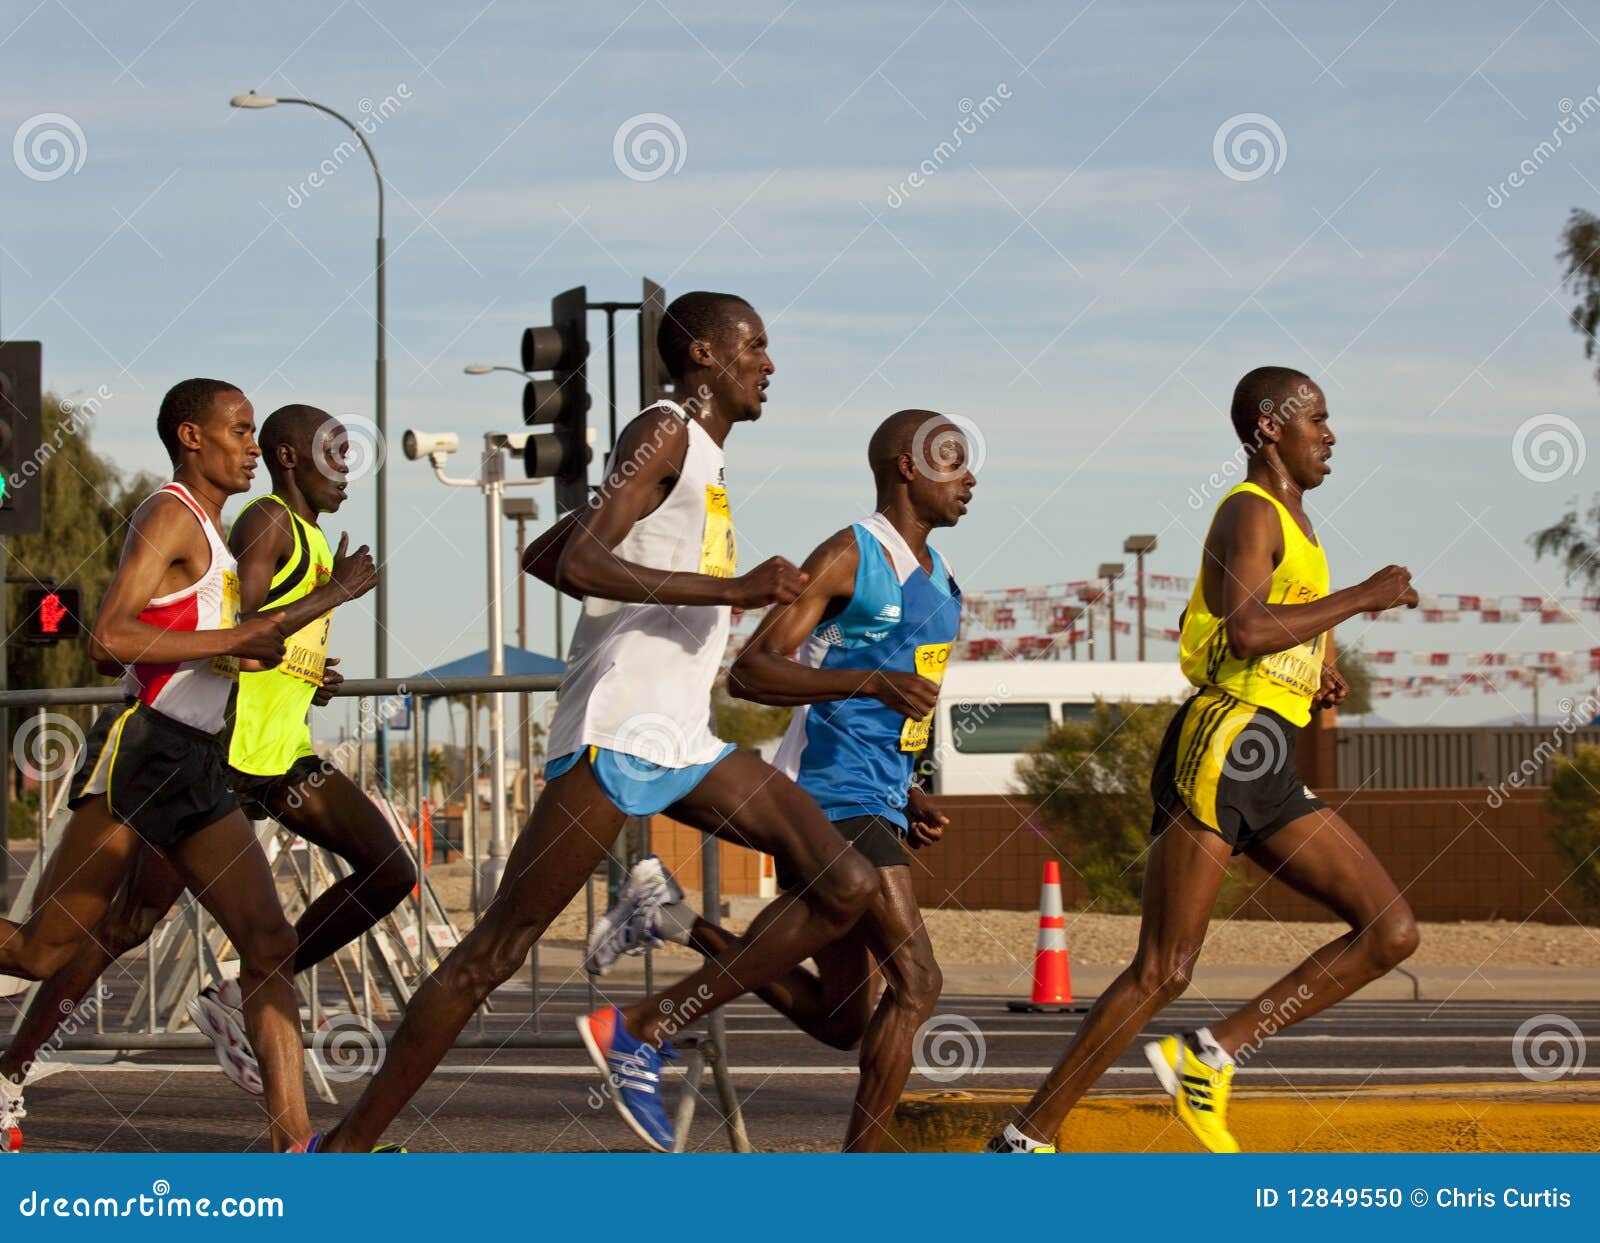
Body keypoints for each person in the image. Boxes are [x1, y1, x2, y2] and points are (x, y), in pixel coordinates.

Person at [313, 292, 877, 1154]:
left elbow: (558, 550)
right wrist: (735, 590)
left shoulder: (704, 456)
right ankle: (343, 1149)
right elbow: (580, 561)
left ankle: (643, 1027)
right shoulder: (664, 432)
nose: (769, 364)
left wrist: (598, 553)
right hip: (620, 729)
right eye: (755, 346)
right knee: (492, 955)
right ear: (702, 357)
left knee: (844, 884)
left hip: (684, 736)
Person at [986, 366, 1421, 1155]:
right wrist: (1362, 595)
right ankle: (1026, 1136)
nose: (1330, 434)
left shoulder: (1297, 524)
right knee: (1164, 967)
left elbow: (1261, 632)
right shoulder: (1250, 512)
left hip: (1268, 752)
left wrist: (1314, 665)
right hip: (1223, 743)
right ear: (1268, 428)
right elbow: (1248, 630)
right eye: (1317, 419)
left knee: (1390, 929)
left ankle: (1210, 1051)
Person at [0, 405, 406, 1121]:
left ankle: (296, 1150)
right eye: (240, 431)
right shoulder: (194, 516)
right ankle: (10, 1071)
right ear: (193, 436)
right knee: (45, 947)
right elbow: (109, 639)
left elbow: (233, 640)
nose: (248, 449)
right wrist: (323, 599)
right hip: (169, 752)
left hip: (202, 757)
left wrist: (295, 659)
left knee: (267, 941)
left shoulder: (216, 530)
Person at [588, 408, 974, 1150]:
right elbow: (754, 669)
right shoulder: (854, 553)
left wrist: (910, 786)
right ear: (906, 466)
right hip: (831, 791)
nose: (970, 477)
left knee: (840, 1020)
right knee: (919, 982)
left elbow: (896, 700)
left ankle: (670, 917)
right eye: (952, 461)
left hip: (879, 793)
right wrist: (872, 683)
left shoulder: (943, 579)